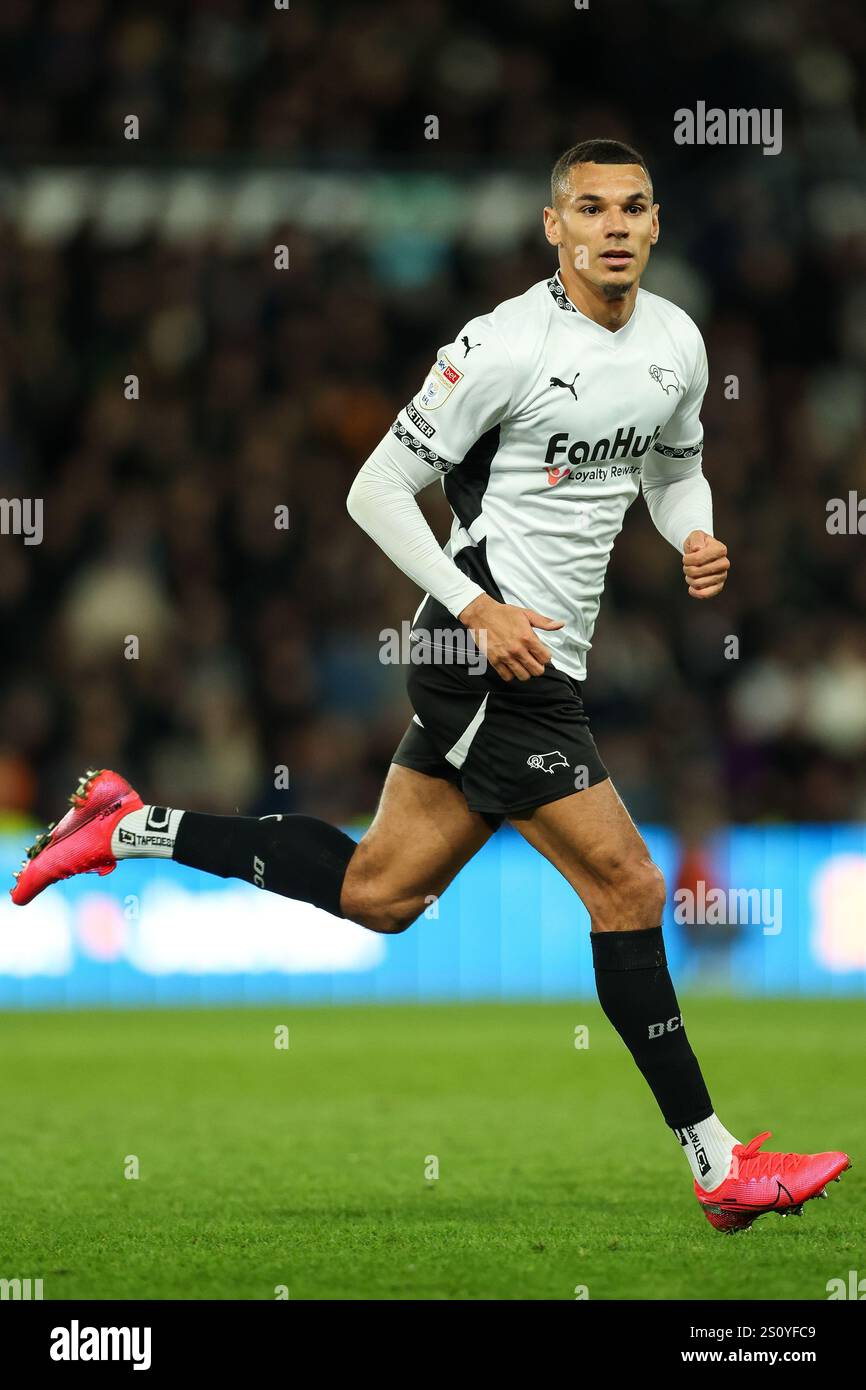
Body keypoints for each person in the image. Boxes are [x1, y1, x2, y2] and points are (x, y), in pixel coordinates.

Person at [11, 140, 849, 1231]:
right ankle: (715, 1165)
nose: (612, 226)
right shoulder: (501, 347)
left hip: (541, 658)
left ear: (653, 225)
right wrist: (473, 607)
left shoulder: (676, 343)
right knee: (631, 890)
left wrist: (692, 533)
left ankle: (127, 824)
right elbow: (375, 489)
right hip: (487, 654)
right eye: (587, 208)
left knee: (380, 892)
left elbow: (672, 465)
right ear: (553, 227)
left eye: (631, 208)